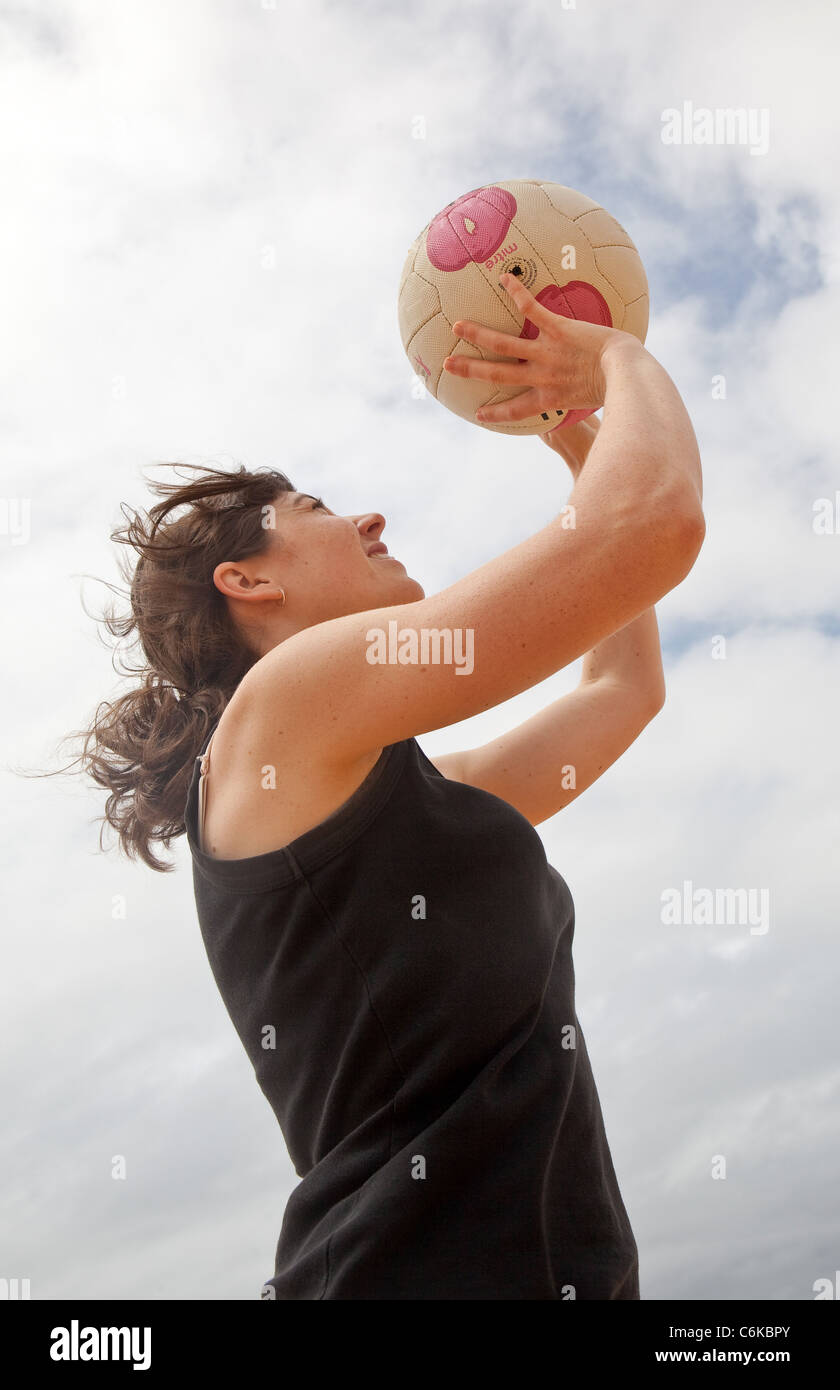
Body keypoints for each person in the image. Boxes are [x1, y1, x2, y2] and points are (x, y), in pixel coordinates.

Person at [77, 271, 705, 1298]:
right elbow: (655, 523)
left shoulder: (409, 804)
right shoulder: (276, 710)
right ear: (249, 581)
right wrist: (618, 359)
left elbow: (624, 687)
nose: (367, 516)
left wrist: (583, 445)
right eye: (315, 508)